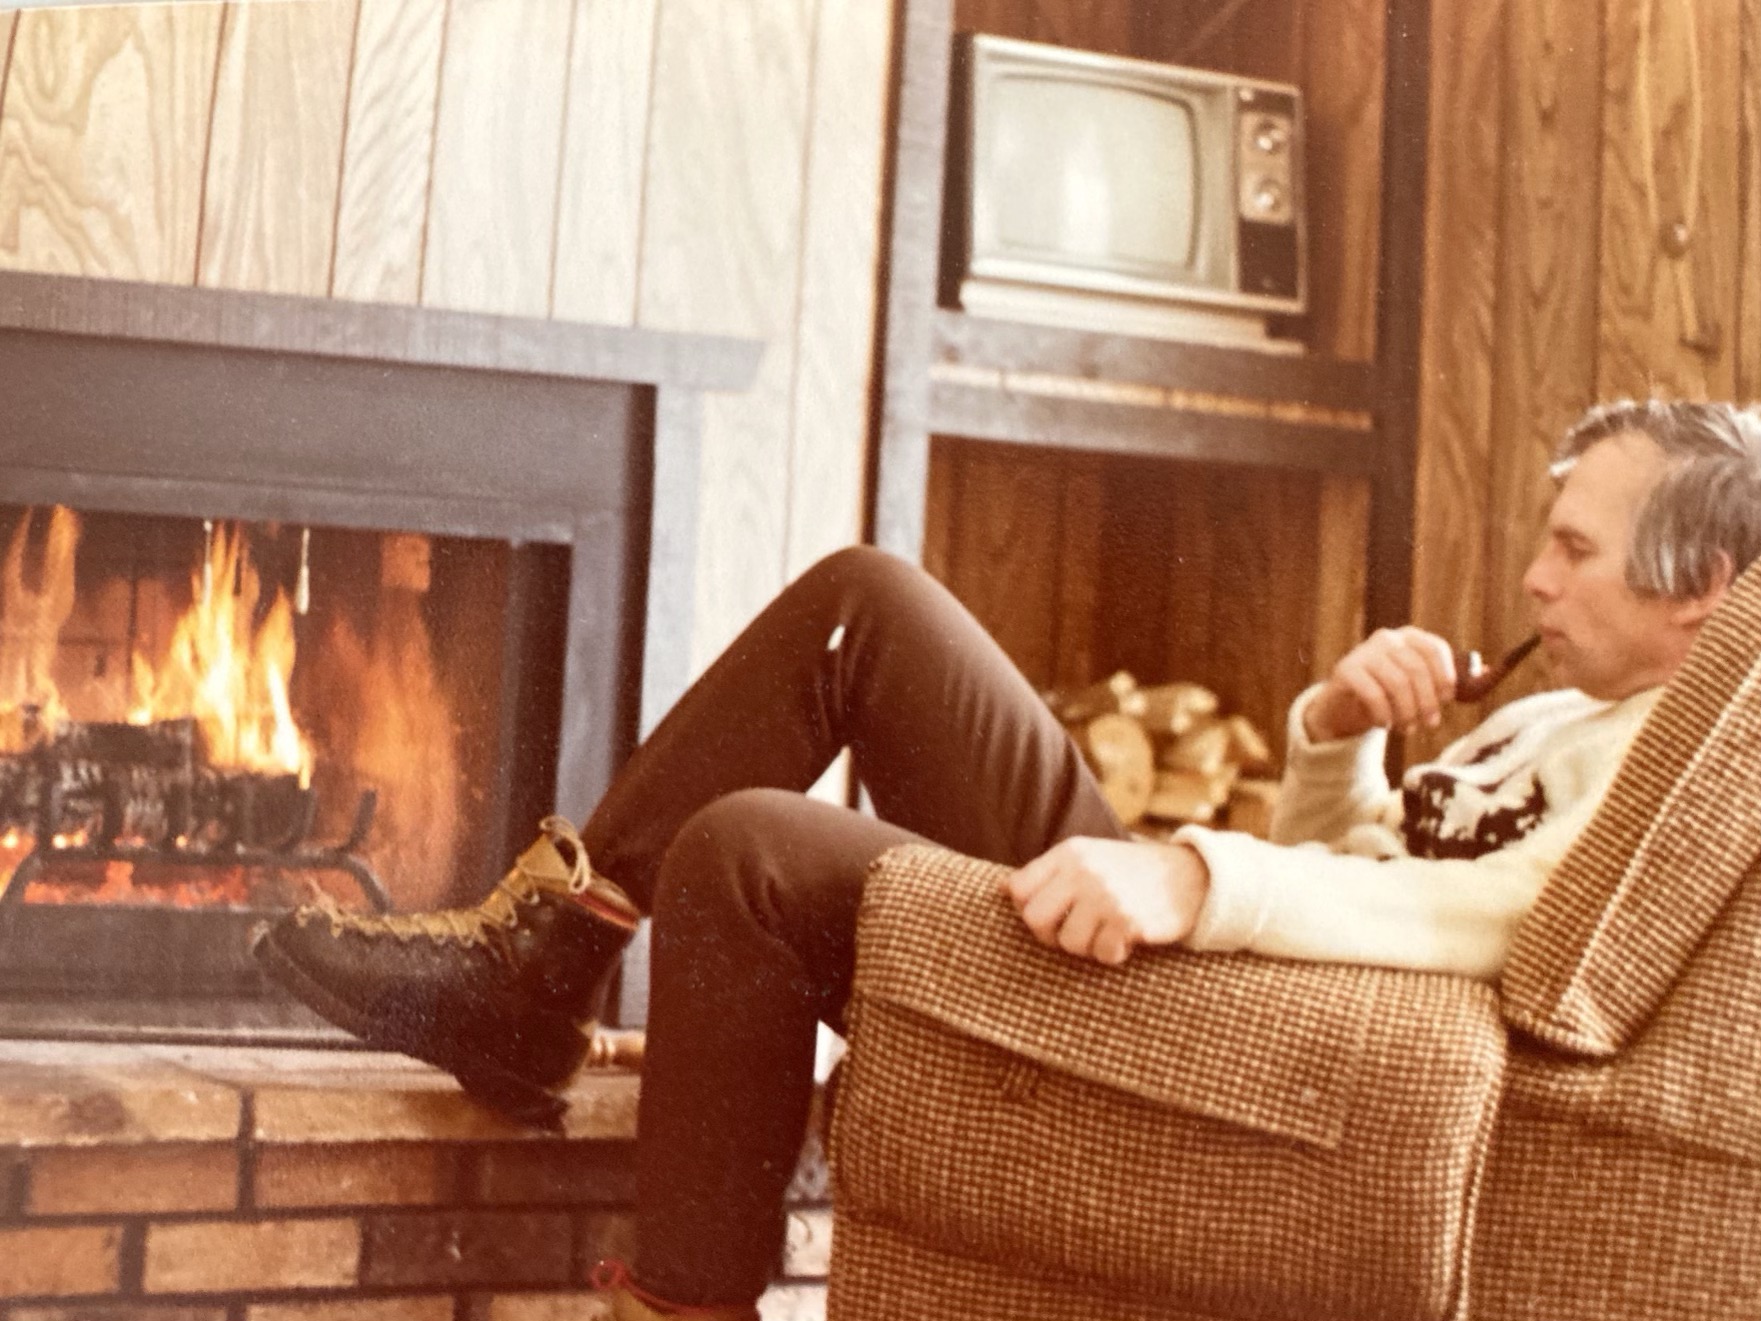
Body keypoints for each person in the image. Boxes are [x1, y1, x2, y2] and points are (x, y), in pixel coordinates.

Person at [255, 399, 1761, 1321]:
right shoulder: (1565, 710)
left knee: (755, 856)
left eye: (1571, 547)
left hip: (1244, 1018)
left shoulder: (1682, 754)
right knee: (865, 602)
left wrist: (1191, 877)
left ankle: (681, 1301)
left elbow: (1501, 921)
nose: (1531, 574)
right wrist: (1326, 734)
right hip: (1253, 974)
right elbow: (1373, 871)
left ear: (1699, 586)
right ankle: (547, 956)